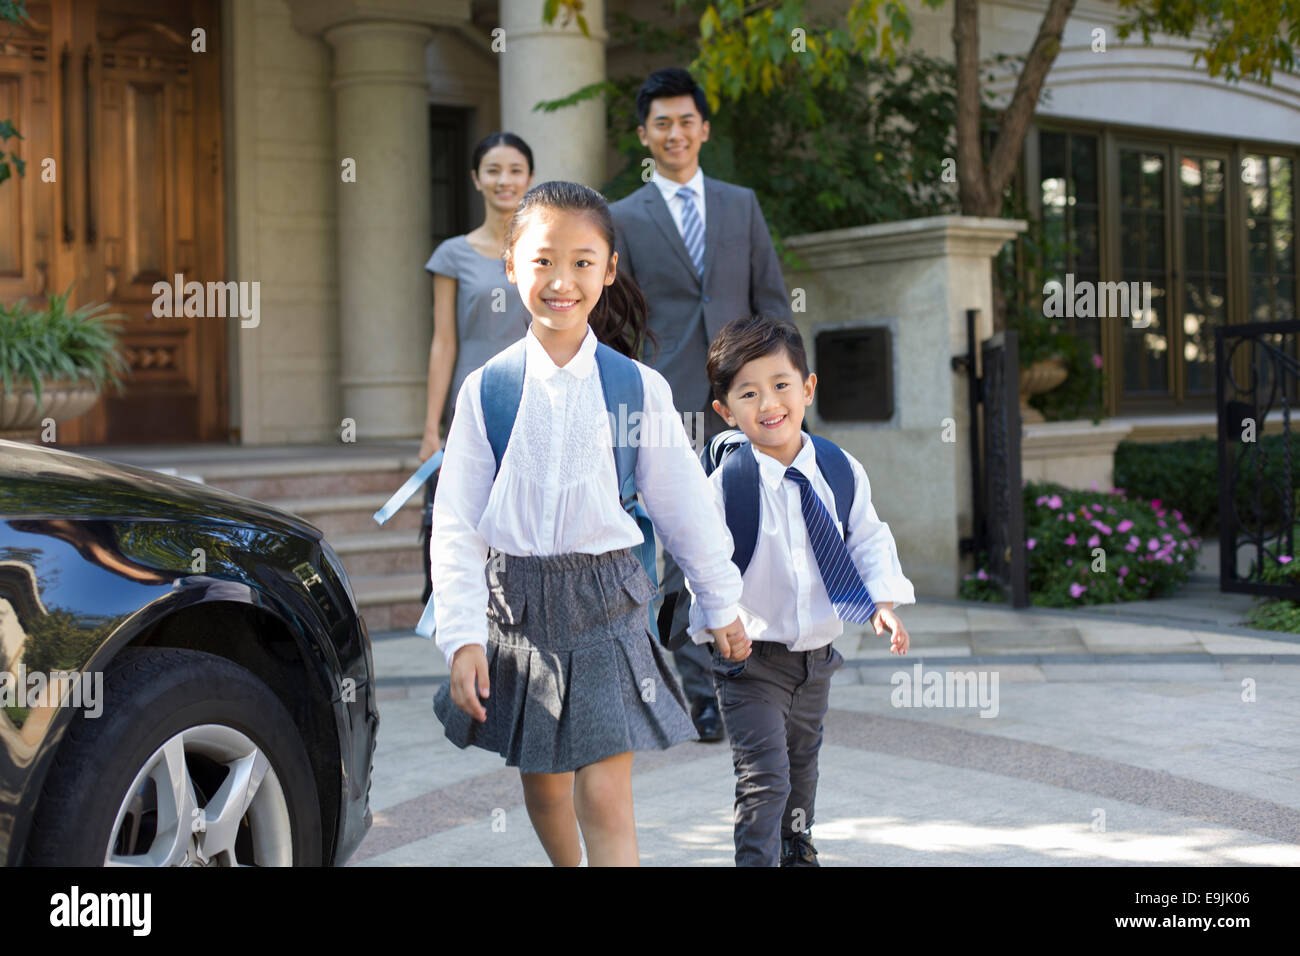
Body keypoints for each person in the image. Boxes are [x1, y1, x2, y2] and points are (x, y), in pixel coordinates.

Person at [428, 180, 749, 866]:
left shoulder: (637, 387)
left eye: (582, 261)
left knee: (604, 795)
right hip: (517, 611)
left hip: (609, 604)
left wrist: (720, 601)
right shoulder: (488, 390)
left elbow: (684, 506)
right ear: (511, 267)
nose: (561, 280)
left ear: (608, 271)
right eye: (543, 260)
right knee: (545, 791)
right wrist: (461, 639)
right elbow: (456, 525)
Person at [687, 314, 916, 867]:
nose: (768, 403)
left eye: (781, 385)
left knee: (801, 767)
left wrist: (882, 601)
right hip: (749, 661)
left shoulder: (838, 469)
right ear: (725, 412)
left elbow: (867, 534)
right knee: (764, 777)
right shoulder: (727, 483)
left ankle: (796, 848)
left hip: (816, 659)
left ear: (808, 388)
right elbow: (704, 560)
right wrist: (719, 620)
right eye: (748, 393)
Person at [611, 67, 793, 742]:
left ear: (704, 129)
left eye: (686, 120)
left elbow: (771, 299)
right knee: (689, 547)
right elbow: (618, 321)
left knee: (758, 533)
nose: (675, 132)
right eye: (662, 122)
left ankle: (767, 668)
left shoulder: (741, 205)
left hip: (749, 401)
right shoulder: (625, 217)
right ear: (644, 135)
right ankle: (706, 690)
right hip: (668, 406)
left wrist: (789, 384)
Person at [417, 133, 535, 603]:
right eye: (493, 170)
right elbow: (444, 341)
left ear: (529, 177)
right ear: (476, 179)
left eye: (514, 170)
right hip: (472, 406)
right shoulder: (453, 254)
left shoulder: (541, 251)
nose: (504, 180)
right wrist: (431, 425)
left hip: (533, 401)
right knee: (465, 524)